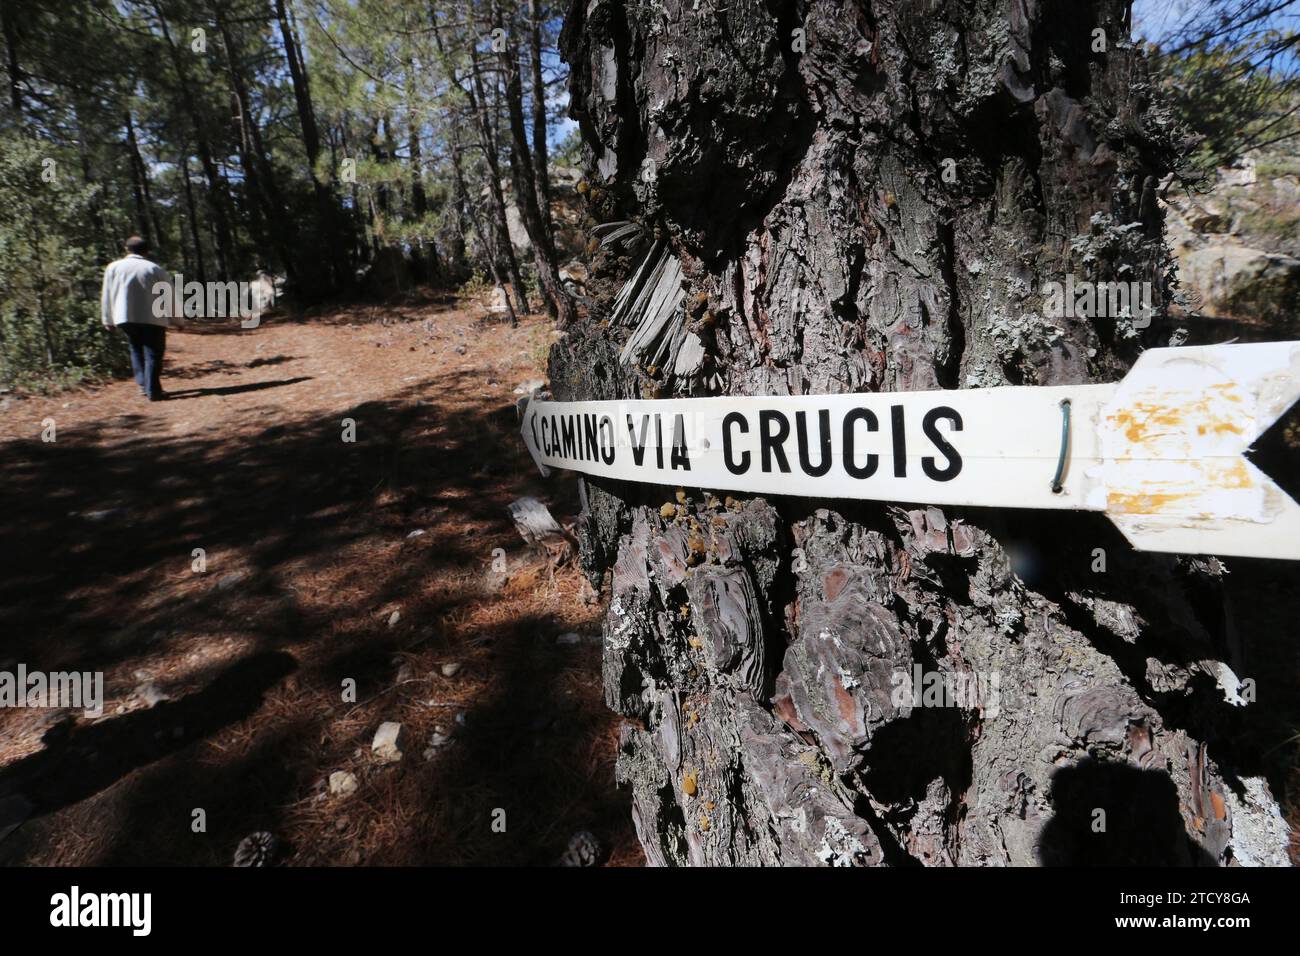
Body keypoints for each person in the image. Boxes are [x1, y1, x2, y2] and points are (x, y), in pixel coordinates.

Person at [100, 236, 176, 401]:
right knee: (153, 354)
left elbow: (106, 294)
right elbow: (169, 295)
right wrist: (178, 319)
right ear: (147, 251)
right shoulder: (154, 269)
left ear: (127, 249)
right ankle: (153, 391)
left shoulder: (113, 267)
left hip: (125, 317)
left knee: (135, 349)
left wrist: (108, 319)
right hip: (154, 318)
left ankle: (143, 384)